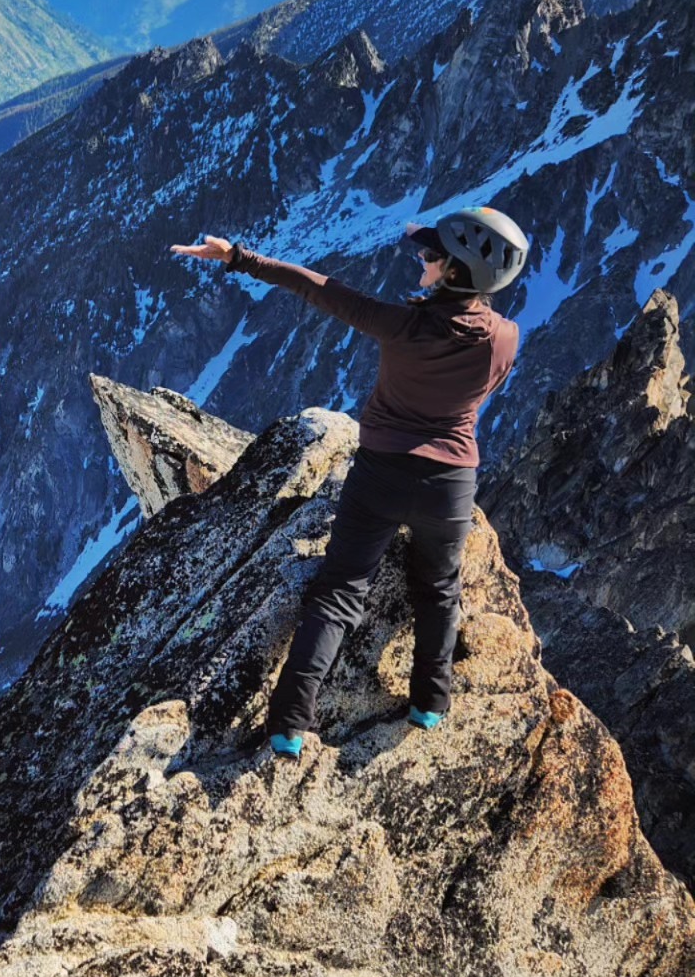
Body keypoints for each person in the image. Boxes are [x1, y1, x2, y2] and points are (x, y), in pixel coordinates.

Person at [170, 206, 528, 758]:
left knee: (340, 591)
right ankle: (430, 704)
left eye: (431, 258)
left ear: (454, 273)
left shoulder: (400, 324)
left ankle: (290, 724)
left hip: (380, 474)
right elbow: (466, 330)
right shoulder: (504, 339)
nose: (421, 262)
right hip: (449, 486)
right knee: (437, 591)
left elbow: (319, 289)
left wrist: (238, 257)